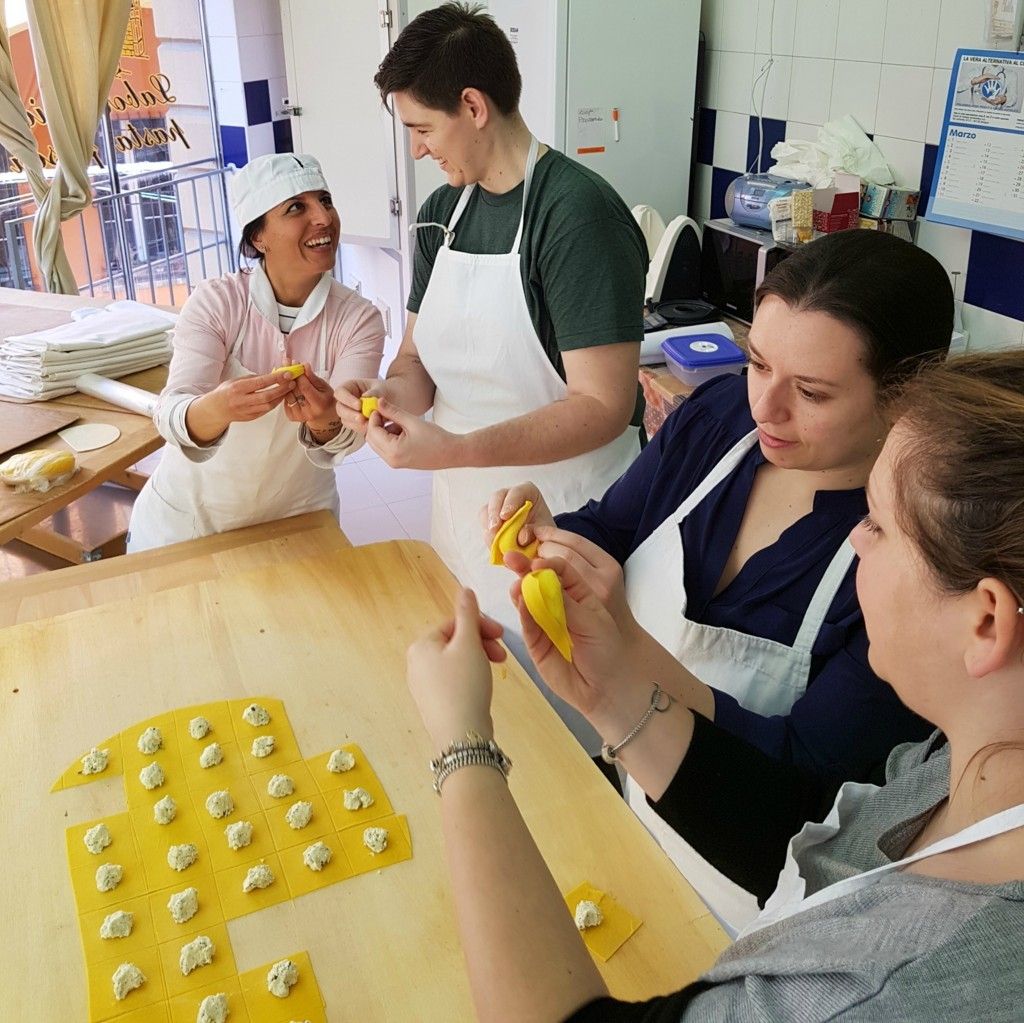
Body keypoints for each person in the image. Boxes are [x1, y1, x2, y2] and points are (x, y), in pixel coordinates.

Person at [407, 351, 1024, 1021]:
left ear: (986, 619)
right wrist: (612, 692)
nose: (855, 539)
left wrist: (463, 742)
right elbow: (803, 834)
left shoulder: (882, 994)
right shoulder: (961, 756)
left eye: (878, 524)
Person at [484, 230, 951, 929]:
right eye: (758, 362)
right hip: (630, 814)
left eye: (813, 392)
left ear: (906, 392)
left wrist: (628, 649)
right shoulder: (719, 418)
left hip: (744, 902)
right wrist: (553, 538)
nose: (766, 406)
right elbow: (613, 526)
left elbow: (809, 789)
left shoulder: (910, 563)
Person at [334, 2, 647, 684]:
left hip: (567, 533)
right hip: (463, 531)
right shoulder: (441, 214)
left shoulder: (576, 215)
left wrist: (453, 447)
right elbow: (417, 362)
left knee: (571, 740)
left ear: (473, 106)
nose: (416, 148)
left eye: (422, 127)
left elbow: (605, 404)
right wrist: (386, 396)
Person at [127, 153, 385, 552]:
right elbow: (171, 410)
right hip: (192, 524)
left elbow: (348, 435)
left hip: (300, 523)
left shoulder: (358, 319)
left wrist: (324, 419)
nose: (324, 218)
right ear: (258, 238)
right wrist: (220, 408)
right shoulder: (217, 302)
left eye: (326, 201)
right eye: (297, 207)